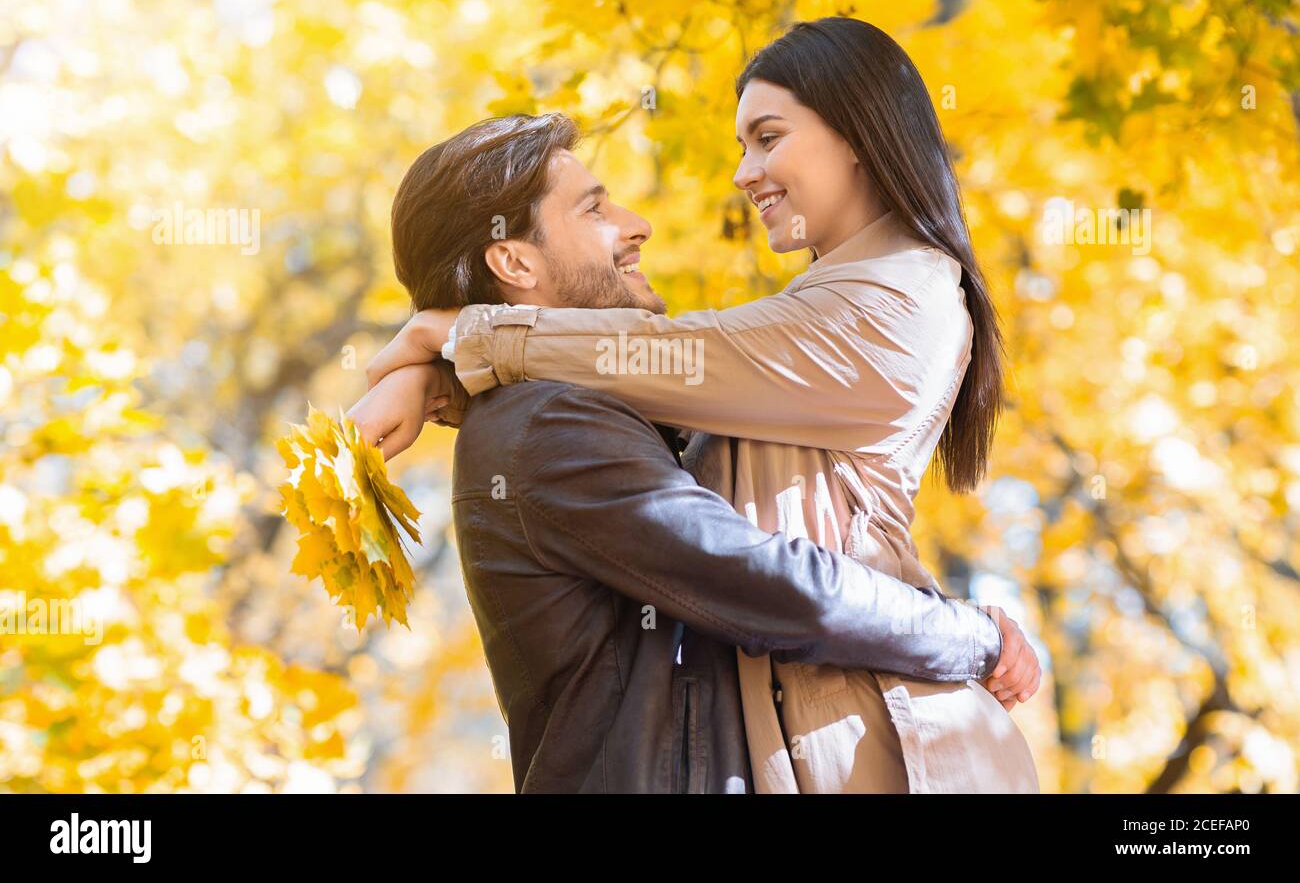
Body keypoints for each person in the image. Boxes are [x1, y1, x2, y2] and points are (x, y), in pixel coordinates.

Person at [348, 109, 1040, 793]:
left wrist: (442, 368)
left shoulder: (566, 414)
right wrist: (969, 635)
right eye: (594, 211)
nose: (635, 224)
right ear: (514, 261)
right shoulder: (547, 422)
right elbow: (768, 586)